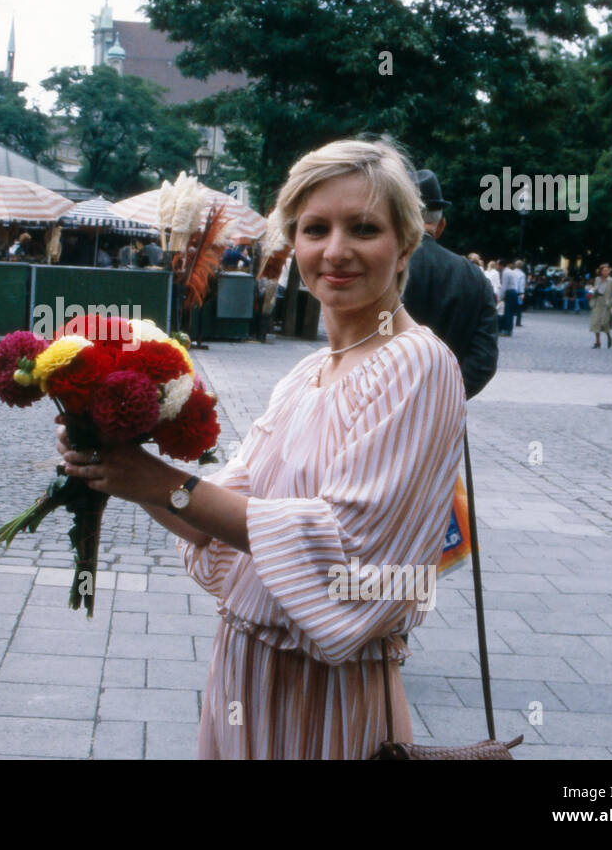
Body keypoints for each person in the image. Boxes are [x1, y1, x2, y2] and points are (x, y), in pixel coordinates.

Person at [59, 139, 465, 758]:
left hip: (324, 692)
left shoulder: (417, 361)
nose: (335, 250)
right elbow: (213, 521)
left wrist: (159, 481)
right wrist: (115, 464)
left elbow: (345, 544)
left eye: (364, 229)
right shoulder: (306, 375)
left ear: (406, 243)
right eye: (315, 228)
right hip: (242, 673)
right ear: (291, 244)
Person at [402, 169, 498, 398]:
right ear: (441, 225)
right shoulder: (475, 278)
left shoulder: (381, 268)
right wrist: (442, 400)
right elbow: (484, 363)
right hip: (446, 424)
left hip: (383, 416)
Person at [588, 263, 612, 348]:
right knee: (596, 322)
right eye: (604, 270)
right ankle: (597, 342)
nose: (606, 272)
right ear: (601, 271)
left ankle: (609, 336)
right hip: (598, 301)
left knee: (604, 322)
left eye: (607, 270)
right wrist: (591, 292)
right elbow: (595, 289)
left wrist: (611, 301)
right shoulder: (597, 279)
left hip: (606, 303)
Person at [500, 259, 524, 335]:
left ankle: (506, 330)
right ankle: (509, 329)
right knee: (510, 312)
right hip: (514, 292)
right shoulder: (518, 273)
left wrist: (500, 296)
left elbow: (504, 285)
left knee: (507, 312)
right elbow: (521, 284)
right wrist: (521, 293)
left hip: (509, 292)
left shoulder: (506, 272)